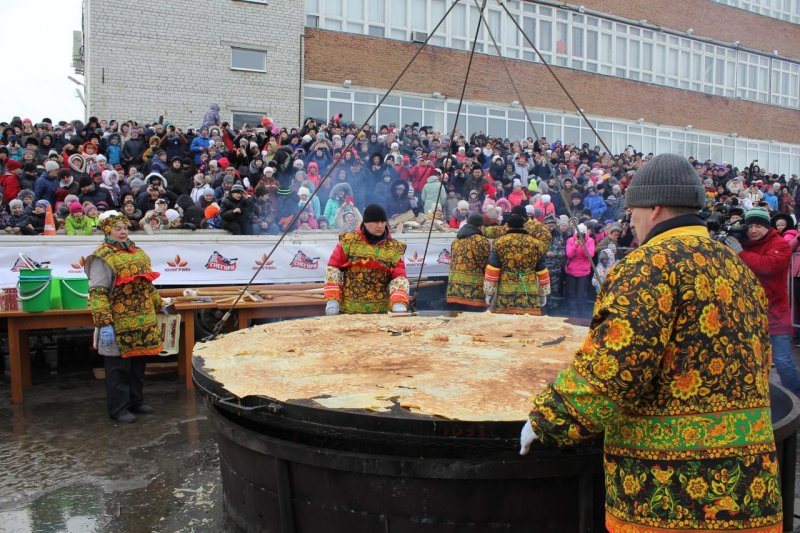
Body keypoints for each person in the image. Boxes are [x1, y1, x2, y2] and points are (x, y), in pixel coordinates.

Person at [521, 154, 782, 532]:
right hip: (748, 485)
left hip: (672, 493)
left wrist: (547, 419)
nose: (631, 222)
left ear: (655, 208)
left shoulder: (648, 266)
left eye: (633, 212)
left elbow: (612, 372)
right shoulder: (734, 265)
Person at [86, 210, 170, 423]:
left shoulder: (138, 252)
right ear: (107, 230)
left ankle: (136, 400)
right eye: (117, 229)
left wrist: (159, 304)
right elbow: (98, 292)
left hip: (143, 319)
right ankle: (119, 408)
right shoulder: (102, 257)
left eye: (124, 228)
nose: (123, 232)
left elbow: (146, 285)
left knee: (138, 365)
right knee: (118, 369)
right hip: (118, 322)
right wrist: (104, 323)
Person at [733, 207, 800, 398]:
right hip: (749, 312)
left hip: (776, 312)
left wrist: (739, 251)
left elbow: (768, 266)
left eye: (759, 226)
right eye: (751, 225)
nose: (754, 230)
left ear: (768, 227)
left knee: (783, 362)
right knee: (750, 361)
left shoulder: (780, 244)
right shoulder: (744, 242)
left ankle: (797, 399)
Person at [324, 204, 409, 314]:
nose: (380, 226)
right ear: (366, 223)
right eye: (376, 222)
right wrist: (332, 300)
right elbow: (333, 269)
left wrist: (399, 303)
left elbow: (399, 277)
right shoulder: (348, 242)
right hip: (349, 312)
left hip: (381, 312)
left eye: (383, 222)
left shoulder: (394, 248)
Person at [483, 213, 550, 314]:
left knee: (507, 323)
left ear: (508, 226)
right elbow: (542, 269)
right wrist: (543, 293)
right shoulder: (537, 244)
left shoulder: (498, 243)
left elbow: (493, 268)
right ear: (523, 225)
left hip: (506, 291)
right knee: (528, 324)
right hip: (528, 290)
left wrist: (489, 293)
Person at [446, 212, 490, 309]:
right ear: (480, 226)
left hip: (454, 290)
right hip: (473, 293)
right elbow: (484, 264)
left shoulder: (456, 240)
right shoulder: (480, 240)